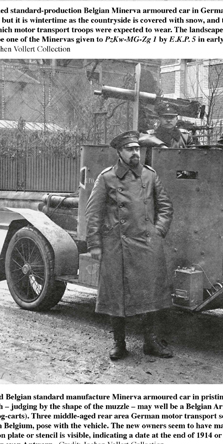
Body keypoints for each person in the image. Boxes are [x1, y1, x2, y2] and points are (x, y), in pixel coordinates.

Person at [85, 131, 174, 361]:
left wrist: (157, 231)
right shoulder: (107, 178)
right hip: (117, 245)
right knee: (117, 296)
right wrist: (95, 245)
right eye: (130, 149)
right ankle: (119, 343)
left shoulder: (150, 176)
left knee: (150, 295)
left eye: (138, 148)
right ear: (119, 153)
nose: (136, 153)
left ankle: (151, 342)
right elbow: (93, 214)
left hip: (146, 244)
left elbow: (165, 207)